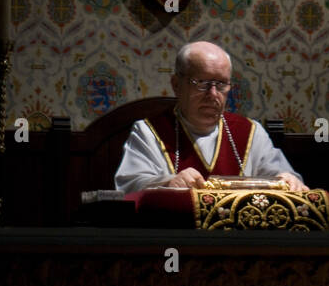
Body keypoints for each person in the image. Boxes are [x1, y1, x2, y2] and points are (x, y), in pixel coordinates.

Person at [113, 40, 309, 192]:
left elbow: (284, 177)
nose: (213, 94)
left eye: (221, 84)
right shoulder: (150, 132)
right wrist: (168, 182)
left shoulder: (250, 133)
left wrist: (288, 180)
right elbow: (130, 186)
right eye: (202, 83)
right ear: (176, 85)